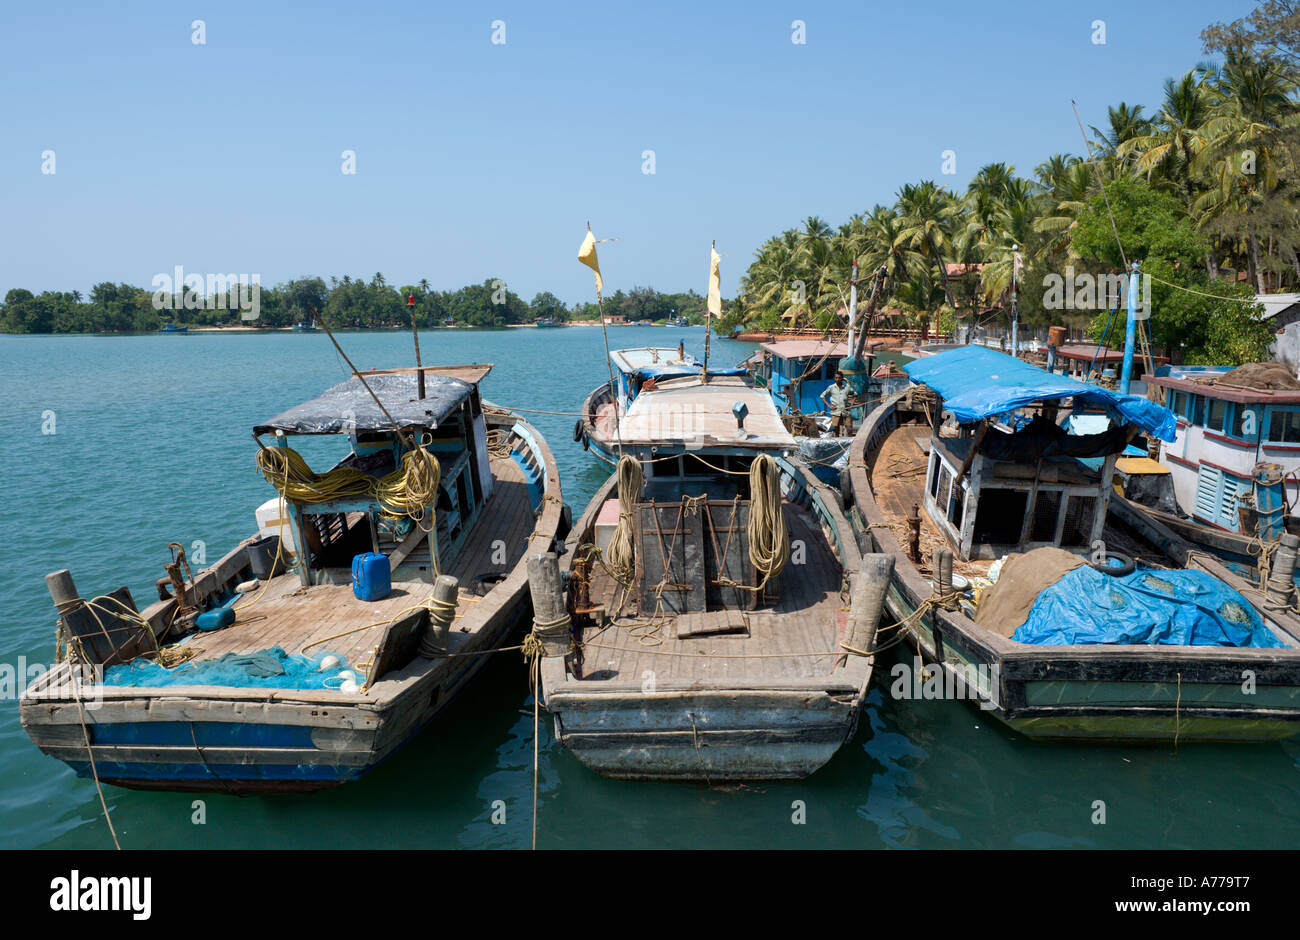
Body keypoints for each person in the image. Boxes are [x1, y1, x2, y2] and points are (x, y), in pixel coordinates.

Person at [820, 370, 853, 436]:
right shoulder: (831, 387)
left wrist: (851, 404)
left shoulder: (847, 387)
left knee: (849, 429)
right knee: (836, 430)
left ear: (842, 378)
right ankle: (838, 443)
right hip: (836, 412)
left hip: (845, 411)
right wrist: (829, 406)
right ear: (834, 378)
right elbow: (822, 396)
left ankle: (851, 443)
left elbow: (855, 394)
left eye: (839, 378)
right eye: (836, 378)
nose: (837, 379)